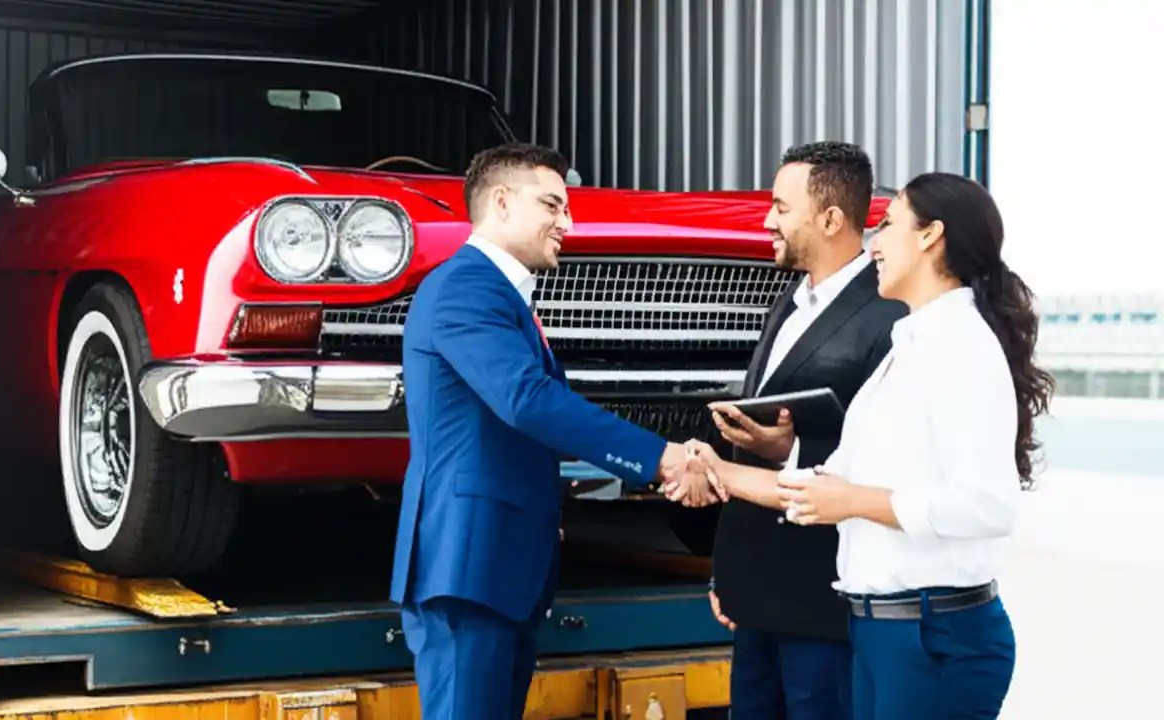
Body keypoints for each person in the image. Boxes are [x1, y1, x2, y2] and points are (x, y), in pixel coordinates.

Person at [690, 171, 1053, 719]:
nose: (874, 242)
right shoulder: (907, 347)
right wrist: (710, 467)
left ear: (931, 236)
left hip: (933, 639)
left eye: (887, 225)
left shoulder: (960, 348)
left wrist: (855, 503)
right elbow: (824, 483)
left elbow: (990, 505)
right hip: (882, 632)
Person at [389, 141, 715, 720]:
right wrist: (660, 458)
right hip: (471, 565)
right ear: (502, 202)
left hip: (497, 562)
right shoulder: (466, 287)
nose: (566, 223)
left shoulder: (498, 294)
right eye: (552, 205)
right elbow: (527, 401)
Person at [701, 141, 906, 720]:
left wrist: (791, 447)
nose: (767, 220)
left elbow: (882, 460)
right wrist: (729, 573)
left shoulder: (890, 315)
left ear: (832, 219)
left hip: (822, 603)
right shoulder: (790, 301)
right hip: (759, 600)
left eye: (781, 207)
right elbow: (774, 446)